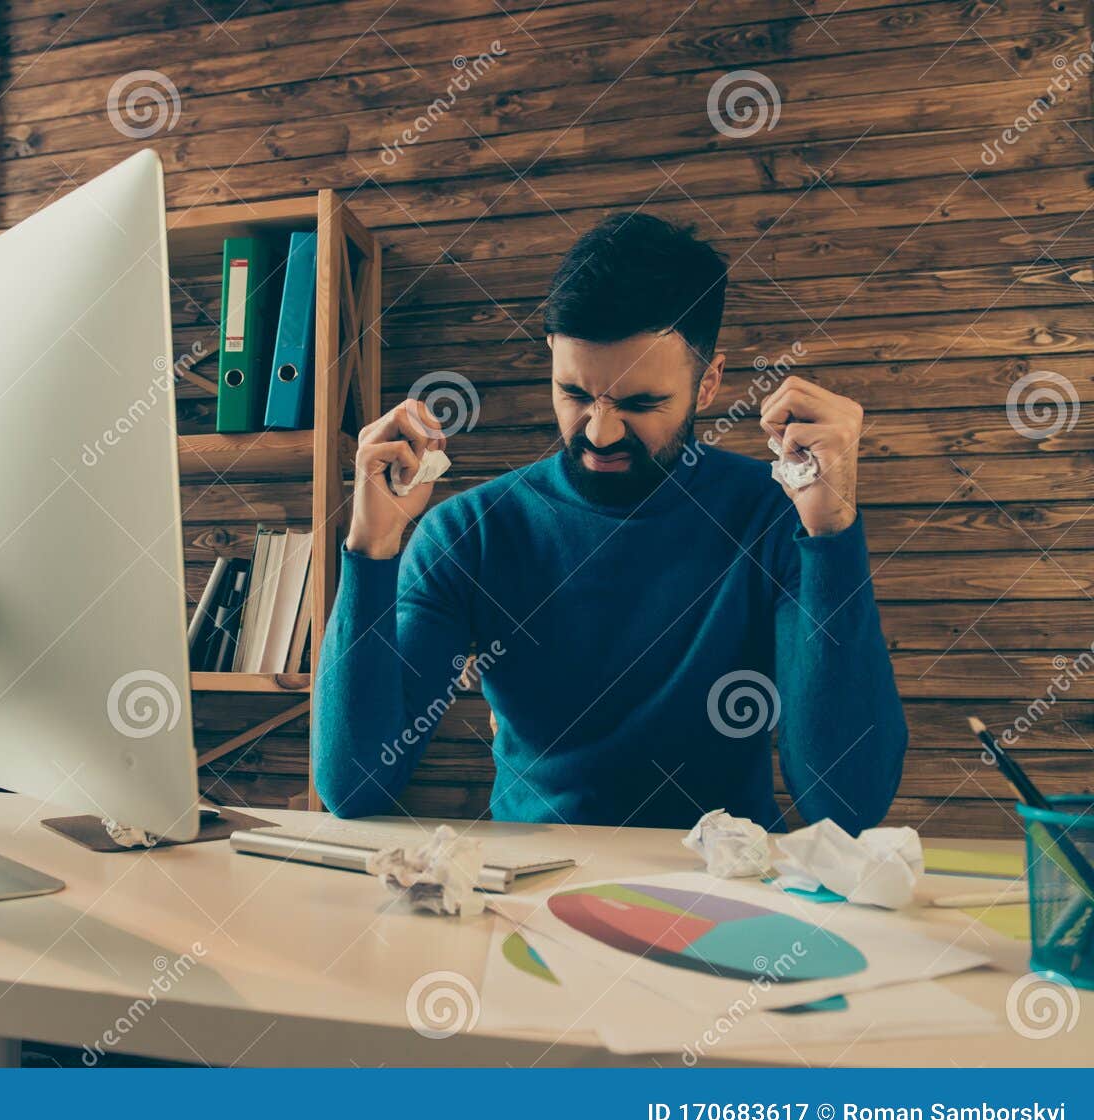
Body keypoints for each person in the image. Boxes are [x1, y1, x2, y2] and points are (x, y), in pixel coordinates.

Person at [313, 212, 906, 832]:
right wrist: (371, 544)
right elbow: (354, 787)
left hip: (725, 889)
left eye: (640, 403)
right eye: (574, 394)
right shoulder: (471, 533)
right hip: (530, 889)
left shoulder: (773, 516)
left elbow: (847, 805)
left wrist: (832, 532)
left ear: (708, 384)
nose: (600, 432)